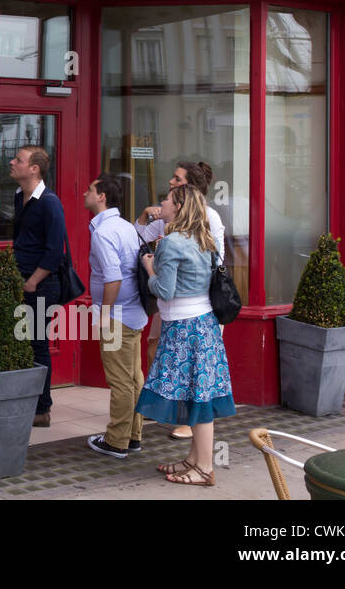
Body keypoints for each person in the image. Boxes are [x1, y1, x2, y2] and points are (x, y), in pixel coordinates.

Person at [135, 184, 235, 486]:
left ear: (177, 207)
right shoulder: (203, 239)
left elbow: (164, 290)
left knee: (199, 398)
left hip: (183, 327)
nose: (162, 202)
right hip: (203, 325)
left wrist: (148, 267)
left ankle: (204, 468)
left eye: (167, 199)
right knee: (199, 393)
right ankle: (194, 459)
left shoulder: (173, 242)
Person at [82, 173, 146, 458]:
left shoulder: (104, 232)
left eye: (90, 190)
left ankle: (116, 441)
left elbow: (113, 277)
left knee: (121, 381)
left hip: (118, 315)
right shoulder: (125, 227)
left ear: (102, 197)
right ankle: (132, 435)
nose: (85, 193)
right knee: (133, 378)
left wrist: (104, 315)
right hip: (134, 312)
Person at [9, 145, 66, 427]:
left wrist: (32, 281)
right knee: (21, 342)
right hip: (21, 282)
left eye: (18, 160)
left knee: (37, 344)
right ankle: (26, 401)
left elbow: (55, 250)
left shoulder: (50, 203)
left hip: (40, 286)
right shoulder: (20, 197)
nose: (12, 162)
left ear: (34, 169)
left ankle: (42, 409)